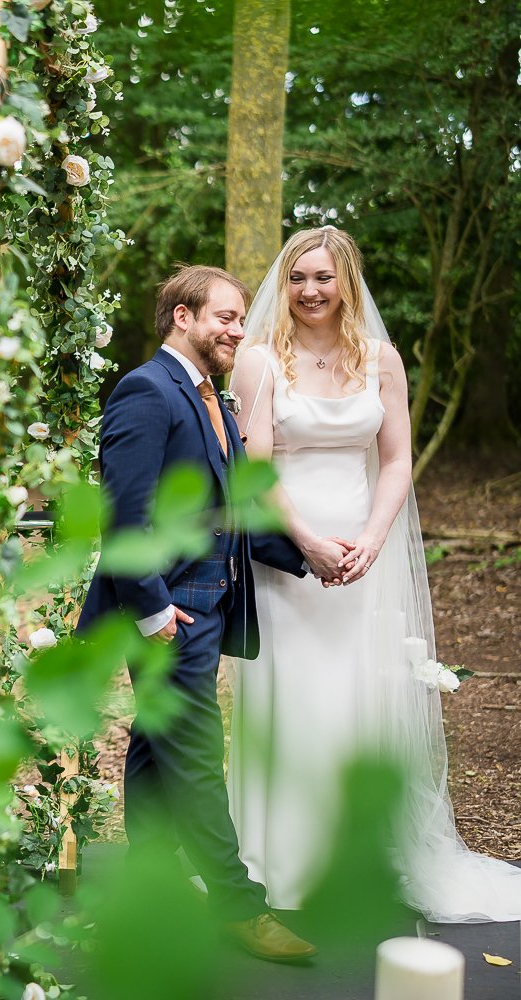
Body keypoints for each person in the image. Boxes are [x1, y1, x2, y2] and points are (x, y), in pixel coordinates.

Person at [227, 225, 521, 922]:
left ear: (347, 282)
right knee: (295, 699)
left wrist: (372, 539)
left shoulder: (381, 359)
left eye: (323, 278)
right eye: (297, 278)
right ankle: (283, 860)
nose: (309, 291)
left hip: (363, 553)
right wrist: (307, 542)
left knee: (356, 698)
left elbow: (395, 460)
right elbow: (253, 467)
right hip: (288, 557)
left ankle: (358, 856)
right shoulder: (259, 361)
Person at [78, 264, 321, 962]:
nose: (238, 330)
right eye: (225, 317)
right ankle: (237, 906)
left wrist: (308, 554)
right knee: (198, 752)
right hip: (169, 613)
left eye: (241, 319)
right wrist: (153, 610)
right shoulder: (146, 391)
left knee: (157, 745)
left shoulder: (209, 395)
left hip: (208, 606)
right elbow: (123, 517)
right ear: (182, 317)